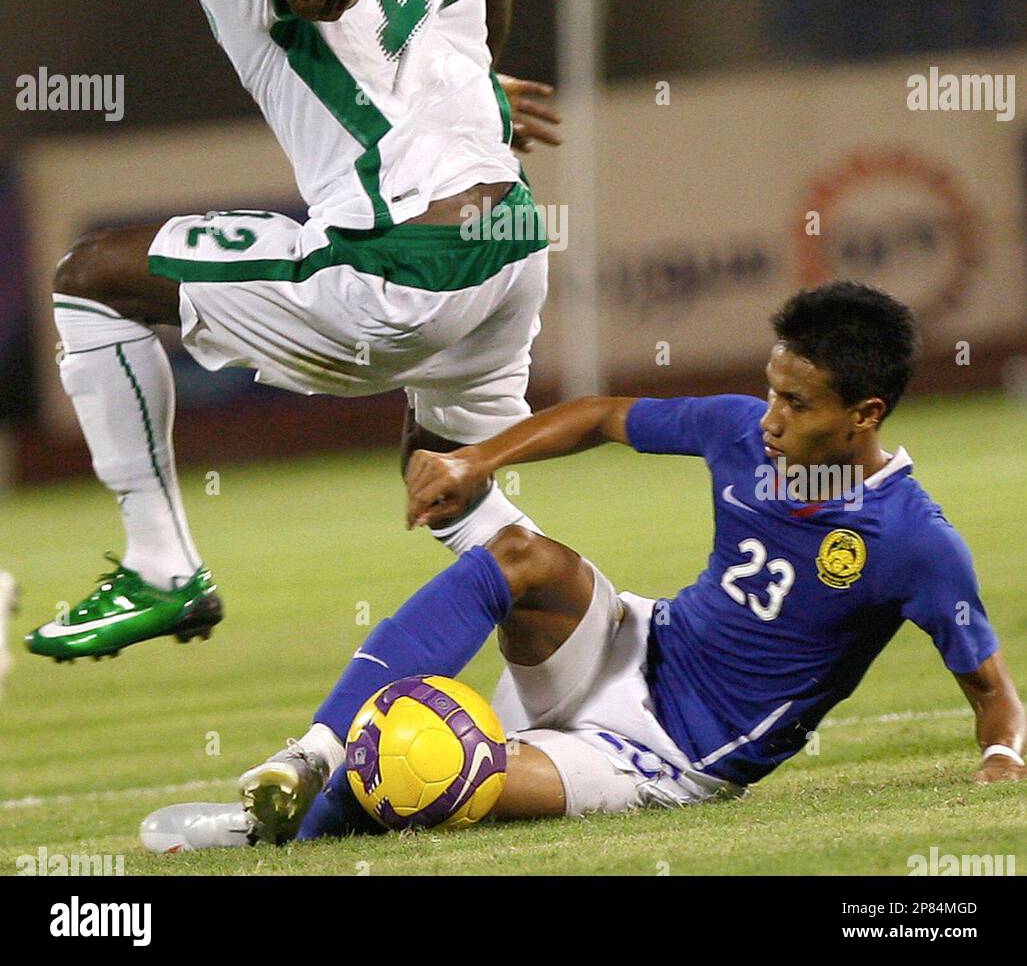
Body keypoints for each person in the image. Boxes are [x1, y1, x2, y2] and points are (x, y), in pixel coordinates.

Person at [144, 280, 1023, 848]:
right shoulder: (740, 434)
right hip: (633, 642)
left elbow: (992, 695)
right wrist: (476, 461)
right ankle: (310, 754)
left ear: (864, 415)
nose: (769, 418)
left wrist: (1001, 762)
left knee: (442, 768)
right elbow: (603, 414)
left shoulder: (911, 542)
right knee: (518, 554)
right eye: (769, 390)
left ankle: (275, 843)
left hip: (669, 756)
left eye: (794, 403)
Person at [27, 0, 558, 663]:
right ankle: (605, 654)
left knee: (90, 280)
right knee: (447, 492)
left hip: (399, 271)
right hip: (507, 244)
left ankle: (161, 570)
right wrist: (467, 85)